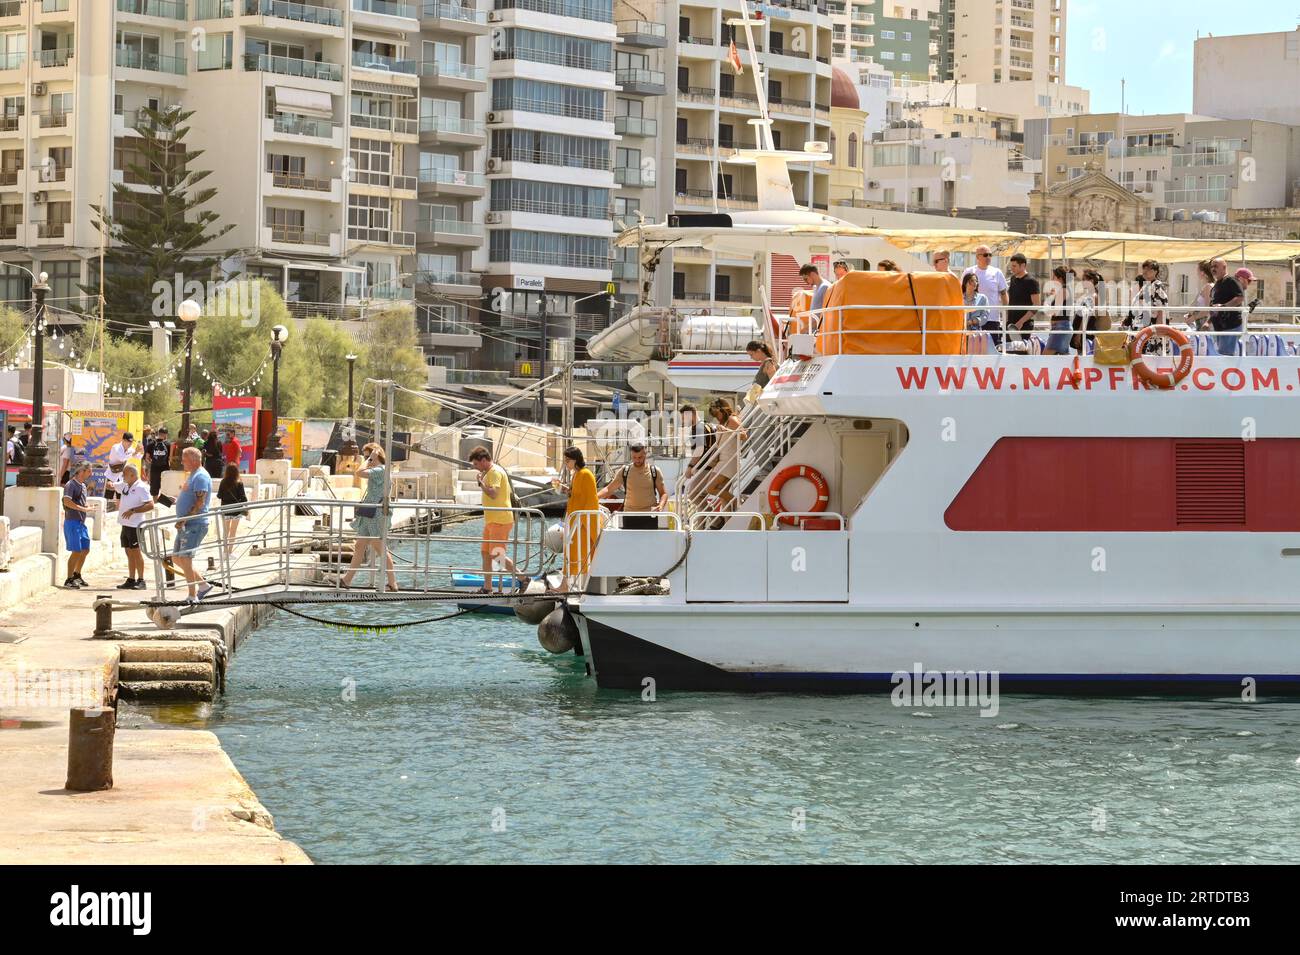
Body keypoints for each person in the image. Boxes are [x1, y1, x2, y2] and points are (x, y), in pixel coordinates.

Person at [340, 445, 399, 593]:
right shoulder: (378, 470)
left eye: (369, 457)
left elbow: (358, 472)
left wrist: (369, 458)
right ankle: (347, 580)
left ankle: (392, 583)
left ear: (376, 456)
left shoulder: (380, 470)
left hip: (376, 513)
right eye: (366, 457)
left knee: (380, 547)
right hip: (369, 511)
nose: (368, 460)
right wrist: (370, 458)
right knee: (360, 545)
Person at [468, 446, 521, 593]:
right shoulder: (488, 473)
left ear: (483, 460)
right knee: (485, 553)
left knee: (497, 555)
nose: (476, 468)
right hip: (491, 521)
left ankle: (523, 578)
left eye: (476, 464)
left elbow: (493, 493)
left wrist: (481, 483)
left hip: (500, 520)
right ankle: (487, 587)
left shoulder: (495, 472)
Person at [555, 446, 600, 592]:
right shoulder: (577, 474)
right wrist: (566, 490)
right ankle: (565, 585)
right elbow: (576, 495)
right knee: (571, 552)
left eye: (568, 460)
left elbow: (590, 500)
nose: (566, 463)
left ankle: (569, 585)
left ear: (576, 459)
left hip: (582, 522)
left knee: (578, 553)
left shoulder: (585, 474)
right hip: (576, 519)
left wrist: (584, 522)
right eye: (565, 460)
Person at [173, 446, 213, 603]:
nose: (182, 461)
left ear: (194, 460)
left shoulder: (201, 476)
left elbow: (199, 502)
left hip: (194, 524)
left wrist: (185, 518)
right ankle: (203, 585)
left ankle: (192, 595)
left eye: (184, 459)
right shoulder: (192, 475)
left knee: (186, 558)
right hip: (186, 524)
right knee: (177, 558)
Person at [598, 442, 668, 529]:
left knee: (649, 543)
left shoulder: (654, 471)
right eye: (634, 457)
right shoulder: (625, 471)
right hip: (629, 516)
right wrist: (595, 497)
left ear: (645, 455)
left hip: (650, 516)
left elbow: (663, 493)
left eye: (640, 457)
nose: (637, 460)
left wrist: (660, 506)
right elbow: (609, 489)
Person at [112, 462, 154, 590]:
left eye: (124, 474)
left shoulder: (141, 487)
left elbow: (150, 505)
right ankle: (131, 579)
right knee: (128, 552)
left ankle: (141, 580)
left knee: (136, 552)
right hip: (125, 524)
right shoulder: (126, 485)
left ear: (131, 475)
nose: (123, 476)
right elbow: (113, 485)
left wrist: (133, 511)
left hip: (135, 525)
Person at [706, 398, 746, 512]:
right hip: (723, 460)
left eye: (716, 414)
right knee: (723, 496)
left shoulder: (731, 419)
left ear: (722, 410)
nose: (716, 417)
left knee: (710, 488)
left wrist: (726, 430)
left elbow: (744, 435)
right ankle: (727, 523)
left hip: (729, 461)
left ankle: (736, 502)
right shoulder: (722, 422)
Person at [61, 461, 93, 589]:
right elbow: (67, 501)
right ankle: (69, 579)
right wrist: (82, 508)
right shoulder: (70, 485)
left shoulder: (83, 486)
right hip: (72, 522)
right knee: (76, 551)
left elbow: (79, 503)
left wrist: (86, 507)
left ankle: (77, 575)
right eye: (89, 470)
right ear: (81, 471)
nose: (91, 473)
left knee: (85, 549)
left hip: (80, 523)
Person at [1208, 257, 1245, 355]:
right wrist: (1208, 322)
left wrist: (1224, 306)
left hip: (1230, 326)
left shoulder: (1231, 280)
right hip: (1220, 327)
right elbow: (1214, 306)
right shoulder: (1217, 284)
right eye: (1211, 267)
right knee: (1222, 355)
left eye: (1215, 266)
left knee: (1225, 356)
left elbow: (1240, 297)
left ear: (1224, 267)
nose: (1213, 269)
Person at [680, 403, 716, 498]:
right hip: (709, 466)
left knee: (692, 495)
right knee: (700, 496)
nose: (683, 421)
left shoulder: (699, 428)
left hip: (704, 467)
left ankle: (708, 513)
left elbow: (699, 449)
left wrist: (690, 467)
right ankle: (707, 513)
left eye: (684, 418)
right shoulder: (707, 425)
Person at [961, 246, 1009, 315]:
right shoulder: (969, 271)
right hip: (972, 318)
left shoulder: (997, 272)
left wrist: (1005, 312)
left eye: (990, 255)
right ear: (977, 257)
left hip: (992, 318)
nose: (988, 257)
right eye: (985, 255)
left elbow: (1004, 293)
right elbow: (961, 291)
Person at [1004, 253, 1041, 342]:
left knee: (1022, 353)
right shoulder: (1013, 279)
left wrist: (1021, 322)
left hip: (1024, 325)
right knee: (1008, 352)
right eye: (1011, 266)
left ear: (1023, 265)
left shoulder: (1031, 281)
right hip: (1010, 324)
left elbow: (1036, 305)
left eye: (1014, 266)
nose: (1011, 268)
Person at [216, 462, 248, 559]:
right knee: (233, 531)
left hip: (225, 510)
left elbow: (219, 496)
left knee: (225, 531)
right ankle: (230, 552)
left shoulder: (223, 482)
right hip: (236, 510)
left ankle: (224, 552)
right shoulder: (239, 483)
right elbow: (244, 498)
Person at [1043, 266, 1077, 356]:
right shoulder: (1064, 290)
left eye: (1054, 277)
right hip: (1062, 327)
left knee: (1046, 356)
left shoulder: (1063, 290)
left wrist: (1046, 305)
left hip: (1060, 327)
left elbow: (1055, 311)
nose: (1052, 279)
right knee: (1062, 359)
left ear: (1060, 279)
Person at [962, 272, 995, 338]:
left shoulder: (982, 298)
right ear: (965, 283)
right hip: (961, 333)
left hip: (976, 333)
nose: (975, 283)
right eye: (971, 281)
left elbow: (985, 316)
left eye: (976, 281)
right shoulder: (959, 297)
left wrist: (972, 321)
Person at [106, 431, 135, 504]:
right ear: (123, 440)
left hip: (122, 476)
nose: (130, 443)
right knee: (108, 498)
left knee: (121, 498)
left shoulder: (130, 449)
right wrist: (134, 453)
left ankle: (118, 514)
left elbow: (139, 456)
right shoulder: (115, 447)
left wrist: (140, 450)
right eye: (129, 441)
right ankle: (106, 514)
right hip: (112, 475)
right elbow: (121, 458)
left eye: (131, 442)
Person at [1189, 260, 1216, 330]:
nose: (1196, 273)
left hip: (1204, 324)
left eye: (1198, 270)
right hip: (1203, 323)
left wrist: (1192, 318)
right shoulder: (1209, 286)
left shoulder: (1208, 287)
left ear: (1202, 273)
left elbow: (1208, 310)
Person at [145, 425, 170, 498]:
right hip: (165, 468)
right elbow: (170, 458)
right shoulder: (168, 444)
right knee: (165, 488)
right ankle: (163, 506)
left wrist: (153, 461)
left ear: (158, 433)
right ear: (166, 434)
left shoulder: (151, 444)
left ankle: (155, 505)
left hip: (154, 469)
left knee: (154, 489)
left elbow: (147, 458)